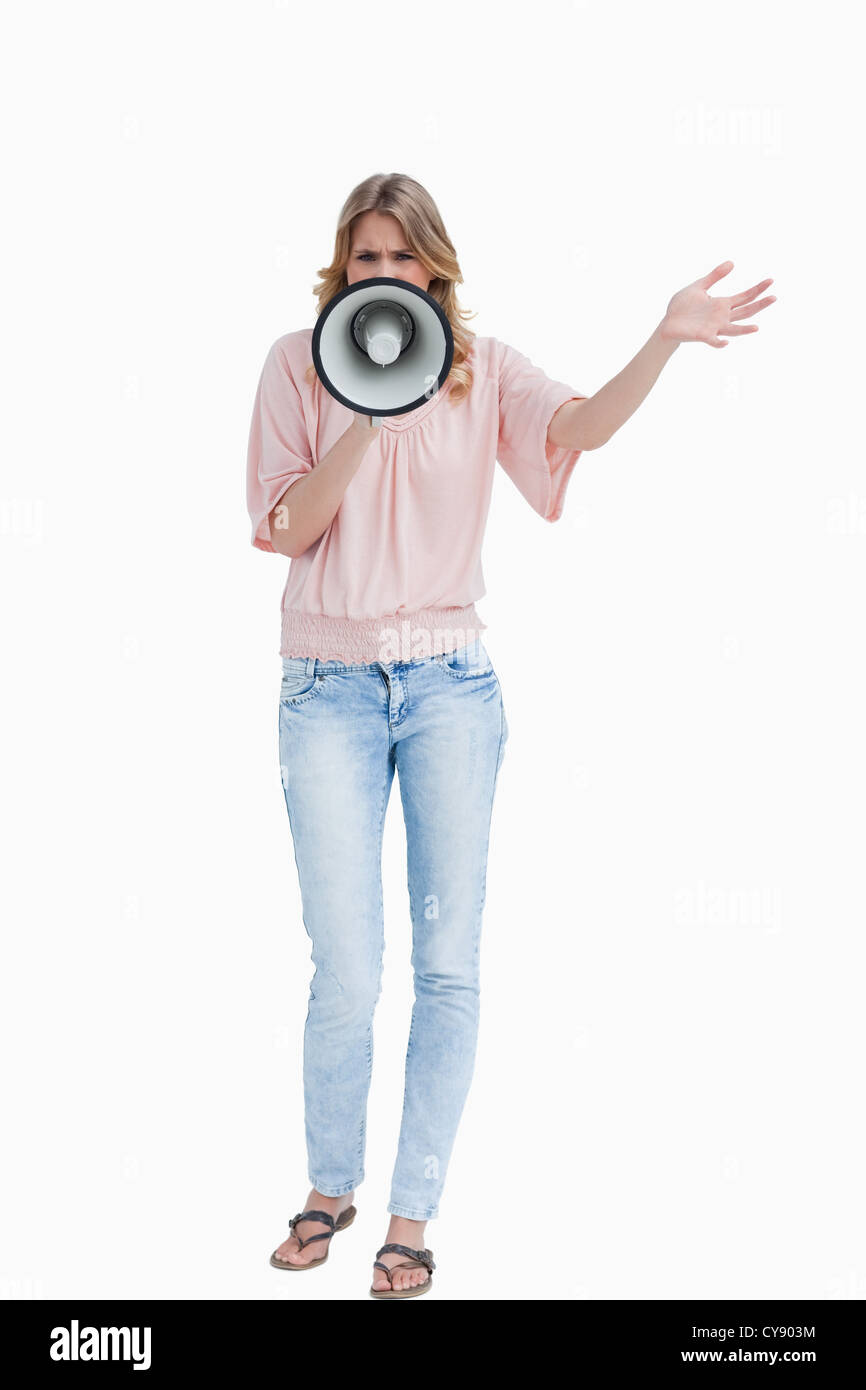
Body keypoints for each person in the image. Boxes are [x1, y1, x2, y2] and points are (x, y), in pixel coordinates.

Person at [246, 172, 776, 1299]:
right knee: (345, 966)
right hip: (328, 689)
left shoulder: (479, 369)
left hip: (449, 688)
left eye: (403, 256)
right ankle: (329, 1185)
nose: (383, 273)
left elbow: (579, 428)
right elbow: (283, 528)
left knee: (447, 966)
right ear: (341, 265)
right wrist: (363, 414)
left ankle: (409, 1216)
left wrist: (663, 338)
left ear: (434, 267)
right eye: (364, 256)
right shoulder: (297, 364)